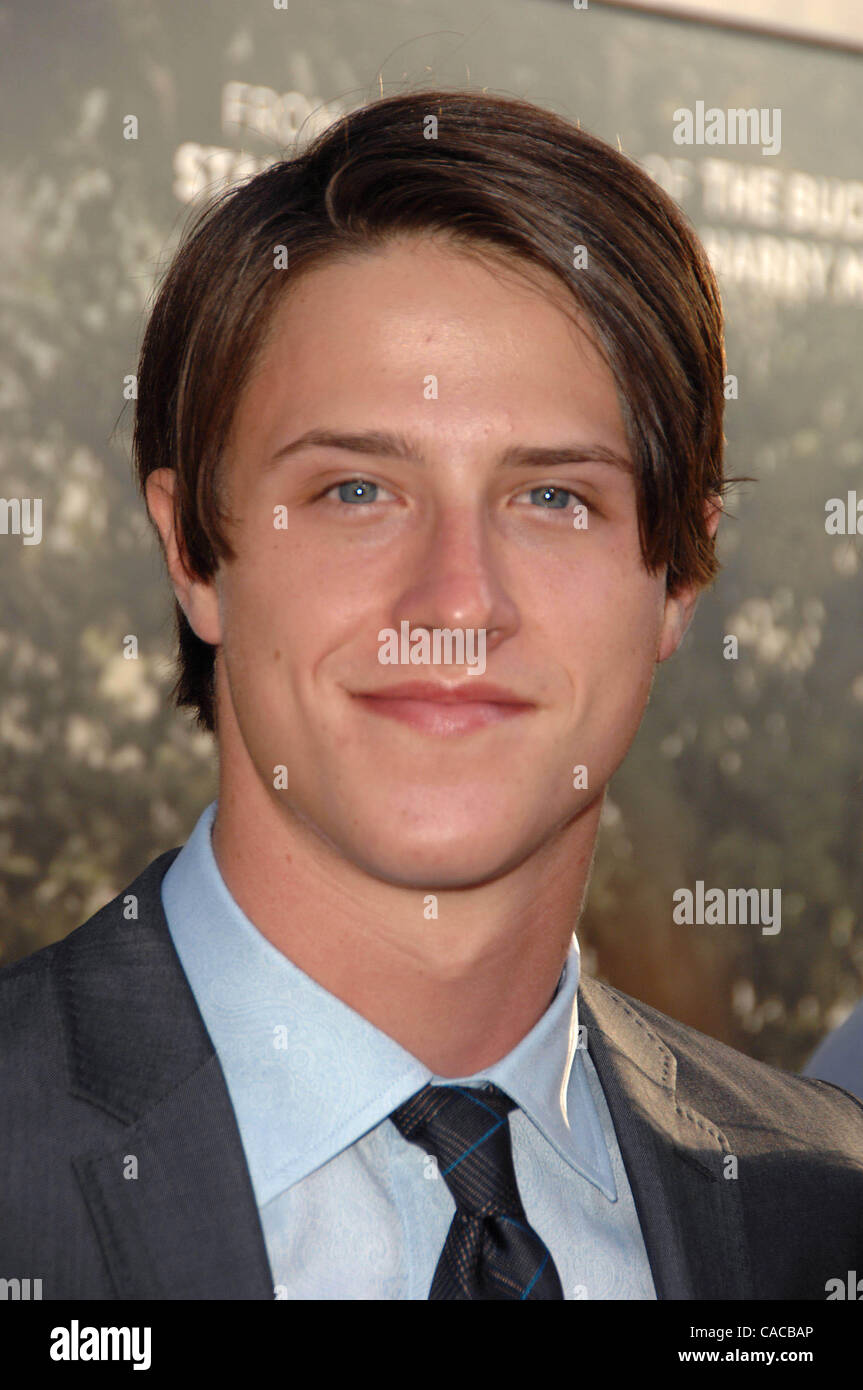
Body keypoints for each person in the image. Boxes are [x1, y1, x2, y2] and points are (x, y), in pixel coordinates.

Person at [2, 88, 862, 1302]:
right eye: (355, 490)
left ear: (678, 574)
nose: (456, 600)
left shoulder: (826, 1216)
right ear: (192, 551)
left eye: (553, 497)